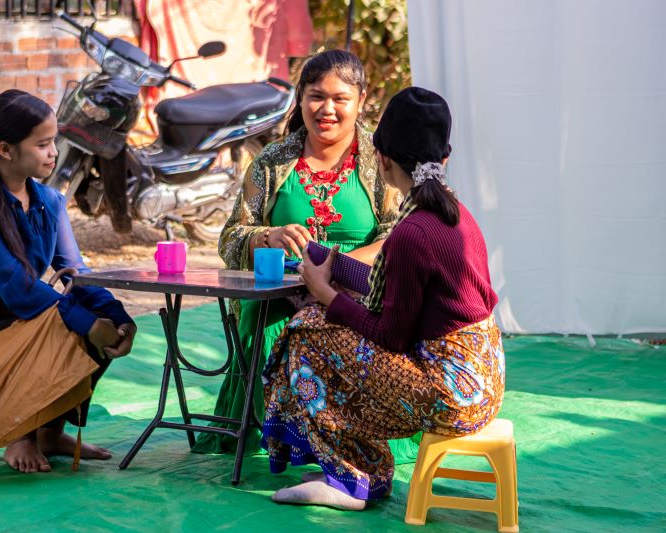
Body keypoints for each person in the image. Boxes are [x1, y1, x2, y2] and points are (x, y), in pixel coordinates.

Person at [260, 87, 505, 510]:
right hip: (481, 380)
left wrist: (323, 293)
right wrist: (331, 264)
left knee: (307, 330)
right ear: (444, 158)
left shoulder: (412, 232)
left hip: (452, 393)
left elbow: (390, 334)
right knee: (320, 323)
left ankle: (353, 477)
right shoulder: (452, 214)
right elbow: (395, 293)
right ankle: (357, 468)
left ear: (382, 157)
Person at [193, 50, 423, 460]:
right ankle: (283, 439)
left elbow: (401, 232)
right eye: (316, 96)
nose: (327, 109)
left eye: (340, 98)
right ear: (299, 98)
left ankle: (346, 441)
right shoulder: (272, 161)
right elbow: (230, 238)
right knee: (268, 331)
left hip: (358, 295)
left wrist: (341, 271)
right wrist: (268, 236)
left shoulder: (379, 160)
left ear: (362, 99)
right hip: (279, 297)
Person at [0, 90, 136, 474]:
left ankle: (49, 432)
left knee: (87, 327)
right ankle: (18, 435)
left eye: (53, 141)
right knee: (68, 327)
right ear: (5, 150)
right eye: (42, 144)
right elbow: (15, 285)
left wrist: (117, 316)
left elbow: (77, 274)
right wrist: (87, 323)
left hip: (24, 321)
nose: (53, 152)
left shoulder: (50, 201)